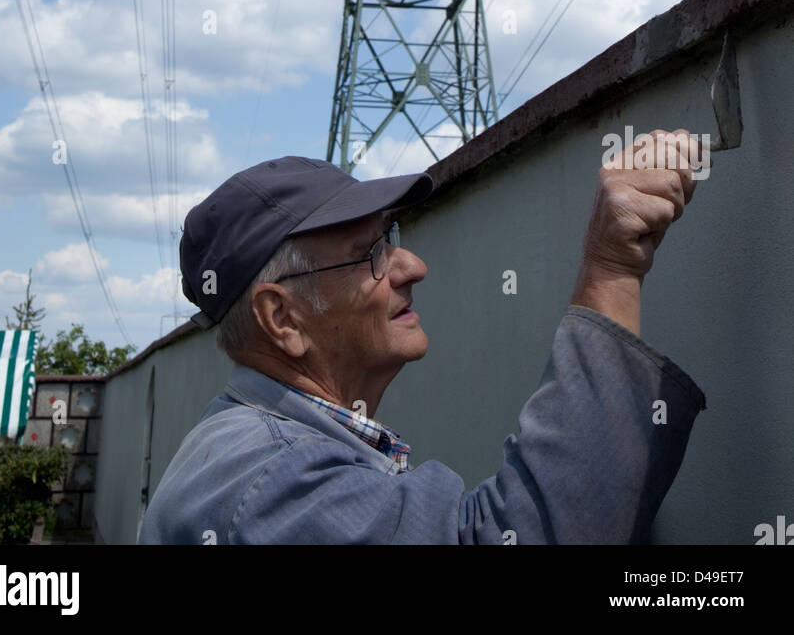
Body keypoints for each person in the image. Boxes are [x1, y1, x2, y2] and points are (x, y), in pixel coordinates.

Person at [138, 137, 706, 545]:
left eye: (392, 237)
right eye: (370, 253)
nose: (411, 265)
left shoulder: (242, 444)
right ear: (281, 318)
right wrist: (610, 270)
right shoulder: (274, 485)